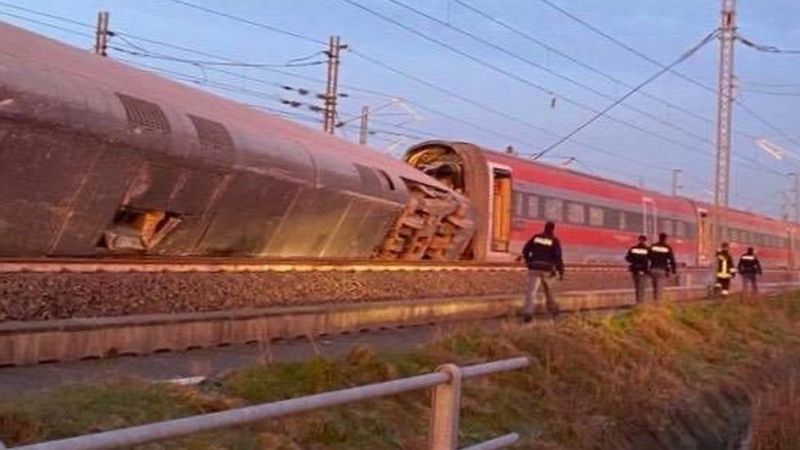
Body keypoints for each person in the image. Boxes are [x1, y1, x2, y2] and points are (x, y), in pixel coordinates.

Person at [521, 221, 565, 322]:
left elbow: (525, 250)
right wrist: (561, 271)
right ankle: (552, 313)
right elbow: (558, 258)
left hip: (534, 267)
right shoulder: (554, 240)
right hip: (547, 270)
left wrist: (529, 261)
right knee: (549, 292)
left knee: (531, 291)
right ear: (553, 229)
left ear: (544, 227)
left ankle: (528, 312)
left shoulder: (536, 237)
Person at [648, 233, 677, 301]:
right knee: (659, 289)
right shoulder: (667, 247)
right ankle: (658, 304)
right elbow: (672, 260)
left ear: (659, 237)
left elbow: (648, 257)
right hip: (662, 270)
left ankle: (654, 300)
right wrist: (673, 270)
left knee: (655, 287)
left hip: (653, 269)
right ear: (665, 239)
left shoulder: (653, 246)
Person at [625, 235, 650, 305]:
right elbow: (651, 259)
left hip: (635, 269)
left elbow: (627, 258)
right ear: (645, 241)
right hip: (643, 270)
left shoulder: (633, 248)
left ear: (639, 240)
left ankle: (638, 300)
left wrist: (635, 262)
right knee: (641, 286)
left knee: (637, 286)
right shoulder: (648, 250)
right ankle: (640, 302)